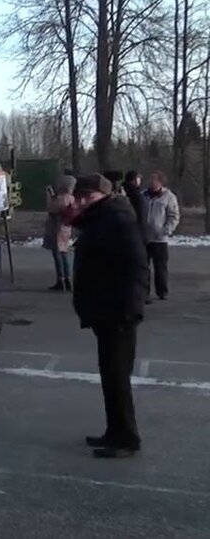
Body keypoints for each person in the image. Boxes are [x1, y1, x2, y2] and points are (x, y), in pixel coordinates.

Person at [69, 173, 148, 458]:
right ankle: (114, 431)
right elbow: (78, 222)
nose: (82, 201)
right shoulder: (103, 217)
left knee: (117, 377)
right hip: (107, 310)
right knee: (110, 376)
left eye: (88, 197)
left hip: (119, 311)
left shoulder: (118, 219)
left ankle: (127, 438)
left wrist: (129, 307)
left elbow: (136, 267)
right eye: (81, 196)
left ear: (104, 195)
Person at [141, 172, 180, 302]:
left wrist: (166, 230)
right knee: (143, 268)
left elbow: (173, 216)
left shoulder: (168, 197)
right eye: (150, 180)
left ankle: (162, 291)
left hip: (159, 239)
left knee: (160, 267)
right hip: (144, 238)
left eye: (155, 181)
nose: (152, 183)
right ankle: (144, 292)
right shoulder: (143, 196)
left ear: (161, 182)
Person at [42, 174, 76, 291]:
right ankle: (68, 279)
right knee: (63, 252)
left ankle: (60, 279)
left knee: (57, 254)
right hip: (67, 227)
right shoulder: (71, 197)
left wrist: (49, 195)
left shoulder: (61, 198)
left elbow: (50, 208)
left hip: (57, 226)